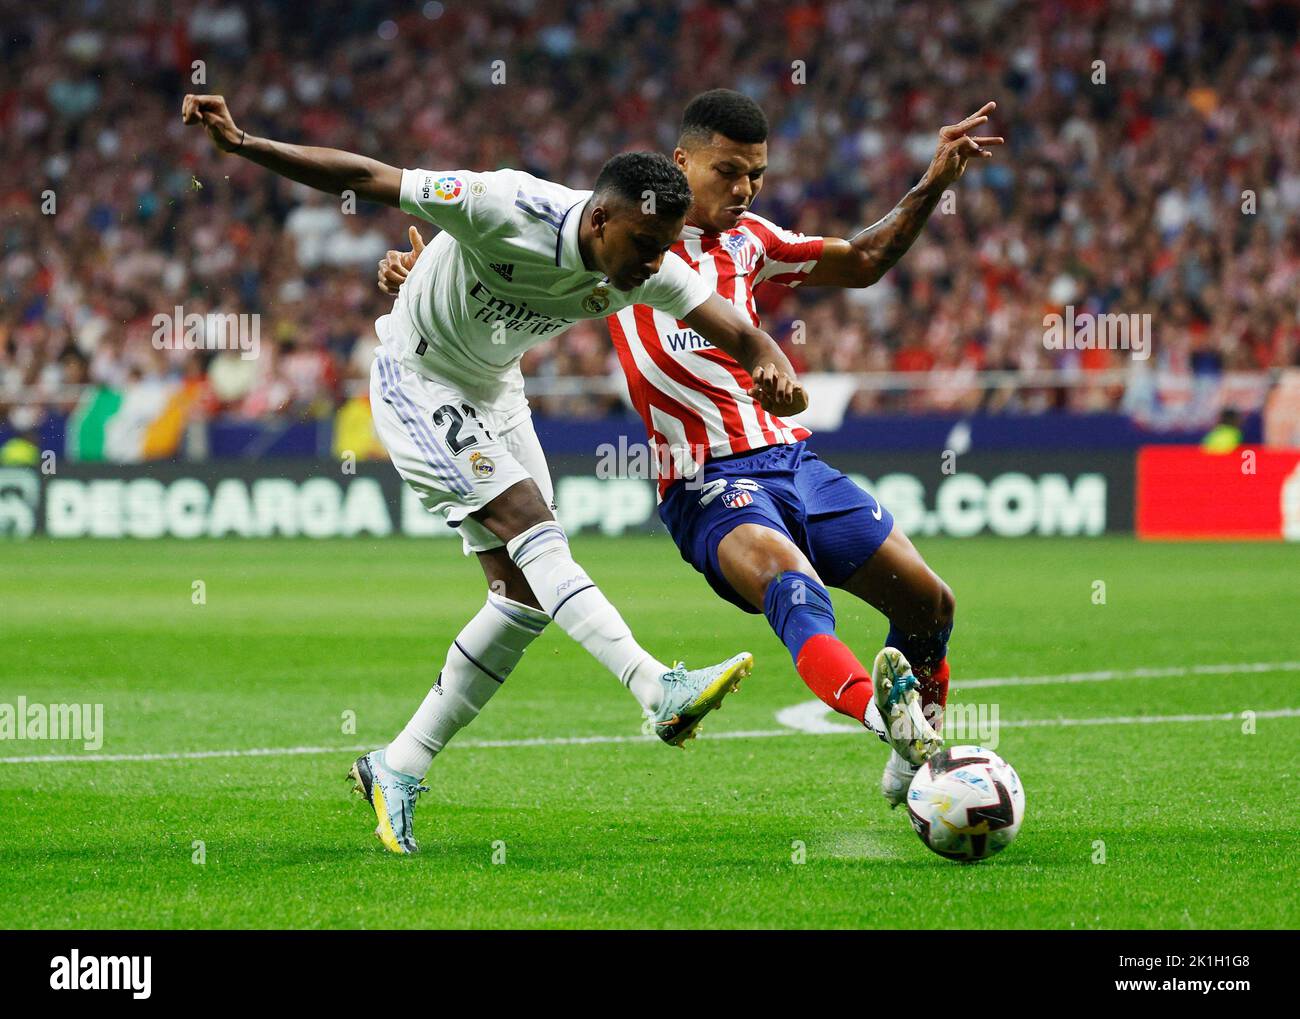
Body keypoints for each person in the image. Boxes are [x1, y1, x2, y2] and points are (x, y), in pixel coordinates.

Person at [182, 92, 927, 854]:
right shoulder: (502, 203)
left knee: (523, 600)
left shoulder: (649, 261)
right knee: (533, 527)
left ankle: (395, 764)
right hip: (419, 378)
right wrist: (242, 145)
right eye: (641, 246)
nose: (650, 268)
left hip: (495, 390)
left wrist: (775, 369)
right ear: (601, 221)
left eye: (662, 250)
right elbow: (370, 175)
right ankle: (654, 687)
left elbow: (739, 330)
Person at [381, 90, 1002, 804]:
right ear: (683, 162)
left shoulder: (754, 243)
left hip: (793, 461)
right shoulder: (629, 246)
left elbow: (862, 259)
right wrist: (426, 278)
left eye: (756, 177)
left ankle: (910, 758)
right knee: (793, 590)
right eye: (728, 171)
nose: (742, 190)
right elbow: (518, 260)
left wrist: (933, 181)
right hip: (704, 480)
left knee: (931, 605)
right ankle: (884, 721)